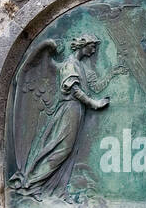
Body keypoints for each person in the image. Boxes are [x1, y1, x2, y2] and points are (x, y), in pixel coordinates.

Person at [9, 35, 109, 198]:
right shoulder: (70, 64)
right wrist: (93, 103)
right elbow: (74, 90)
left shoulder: (78, 64)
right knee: (61, 148)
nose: (93, 51)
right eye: (92, 47)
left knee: (65, 149)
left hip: (75, 110)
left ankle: (55, 188)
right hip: (70, 109)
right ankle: (31, 183)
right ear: (84, 45)